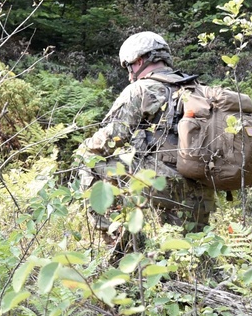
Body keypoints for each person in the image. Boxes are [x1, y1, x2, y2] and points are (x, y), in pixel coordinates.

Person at [76, 31, 217, 255]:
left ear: (139, 61)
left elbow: (112, 138)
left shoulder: (140, 89)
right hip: (203, 186)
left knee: (89, 164)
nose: (129, 74)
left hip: (163, 185)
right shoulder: (199, 89)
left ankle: (115, 243)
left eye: (128, 67)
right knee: (187, 251)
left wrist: (84, 148)